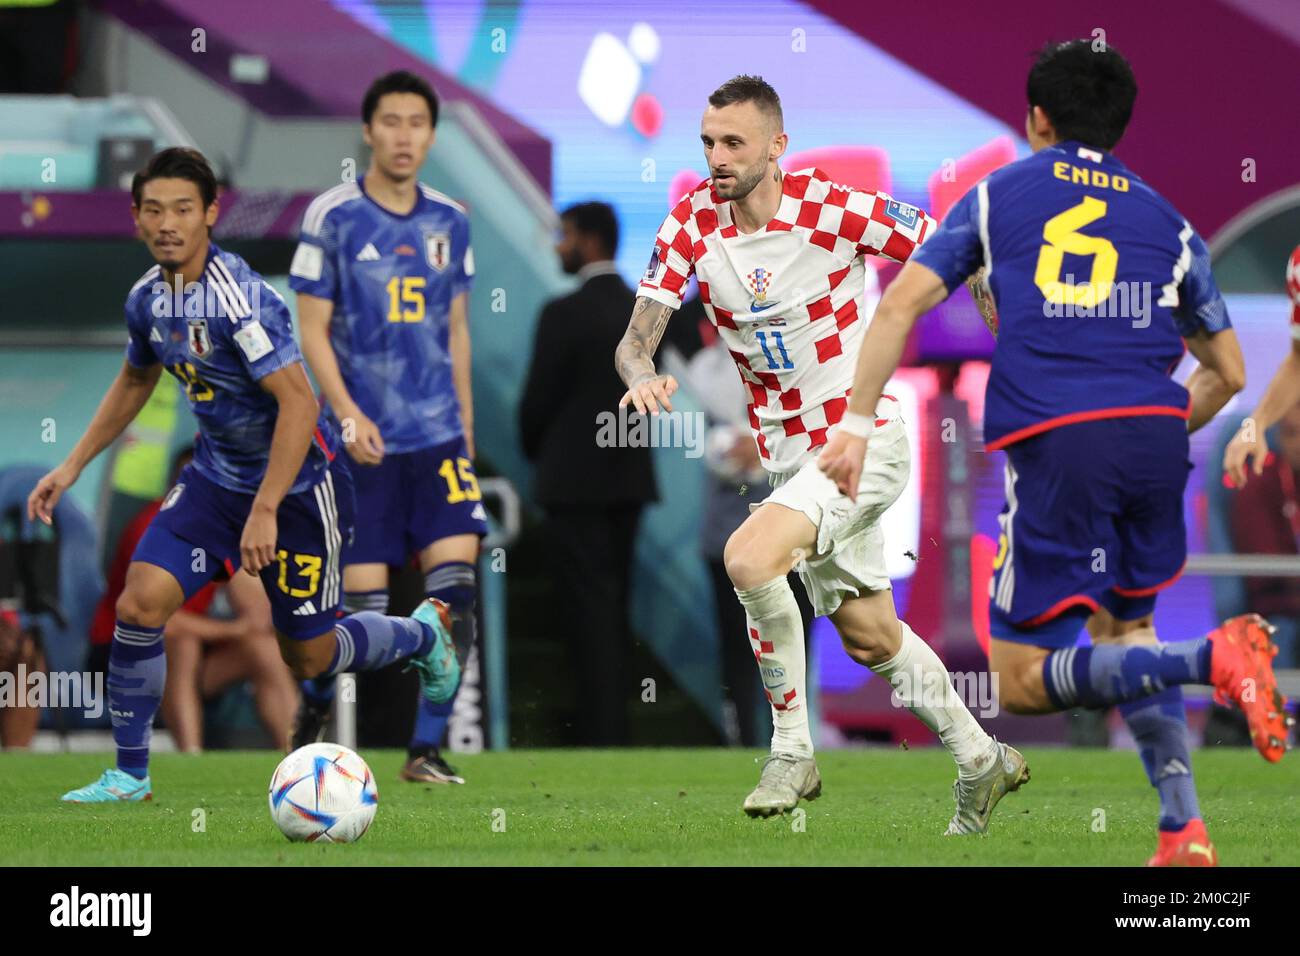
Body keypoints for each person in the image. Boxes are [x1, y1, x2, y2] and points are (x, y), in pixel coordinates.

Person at [820, 40, 1289, 865]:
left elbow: (898, 305)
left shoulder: (1001, 195)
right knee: (1123, 632)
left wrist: (855, 427)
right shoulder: (1169, 220)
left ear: (1037, 117)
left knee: (1018, 680)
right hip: (1150, 435)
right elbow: (1229, 372)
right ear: (1119, 124)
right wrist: (1149, 429)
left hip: (1058, 436)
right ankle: (1184, 830)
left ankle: (1209, 656)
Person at [617, 75, 1023, 833]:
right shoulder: (688, 228)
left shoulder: (832, 207)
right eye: (708, 142)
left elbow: (947, 243)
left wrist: (990, 286)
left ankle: (792, 750)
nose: (718, 157)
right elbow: (636, 340)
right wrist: (641, 376)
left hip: (860, 442)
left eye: (734, 142)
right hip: (788, 460)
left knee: (747, 557)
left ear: (777, 147)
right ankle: (980, 757)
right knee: (871, 636)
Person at [28, 146, 457, 803]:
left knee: (308, 655)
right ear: (137, 218)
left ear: (209, 215)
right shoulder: (146, 298)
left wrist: (264, 510)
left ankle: (421, 634)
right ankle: (131, 776)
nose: (166, 222)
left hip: (300, 493)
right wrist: (72, 463)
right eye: (152, 210)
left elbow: (299, 402)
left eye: (182, 209)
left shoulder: (241, 300)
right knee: (140, 605)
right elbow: (136, 378)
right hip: (214, 482)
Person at [291, 71, 483, 784]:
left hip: (435, 440)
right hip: (359, 445)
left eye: (417, 123)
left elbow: (456, 329)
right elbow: (311, 329)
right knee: (360, 614)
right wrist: (345, 412)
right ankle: (313, 701)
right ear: (368, 131)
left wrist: (465, 426)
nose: (404, 136)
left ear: (432, 135)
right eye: (391, 122)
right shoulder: (332, 216)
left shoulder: (451, 220)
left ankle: (424, 752)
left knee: (455, 595)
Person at [519, 201, 658, 745]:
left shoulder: (563, 313)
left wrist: (541, 456)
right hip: (628, 484)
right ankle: (614, 729)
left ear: (590, 241)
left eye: (565, 234)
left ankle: (598, 733)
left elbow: (536, 405)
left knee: (585, 612)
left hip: (572, 489)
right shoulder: (642, 314)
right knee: (615, 606)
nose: (558, 245)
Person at [88, 448, 298, 752]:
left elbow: (258, 616)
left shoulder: (224, 527)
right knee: (182, 643)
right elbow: (158, 620)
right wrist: (235, 630)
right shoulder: (153, 526)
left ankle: (299, 755)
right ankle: (192, 755)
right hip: (120, 654)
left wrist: (251, 568)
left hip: (192, 663)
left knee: (264, 648)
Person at [1229, 402, 1300, 670]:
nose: (1297, 444)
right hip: (1278, 605)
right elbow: (1265, 567)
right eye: (1291, 433)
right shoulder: (1258, 484)